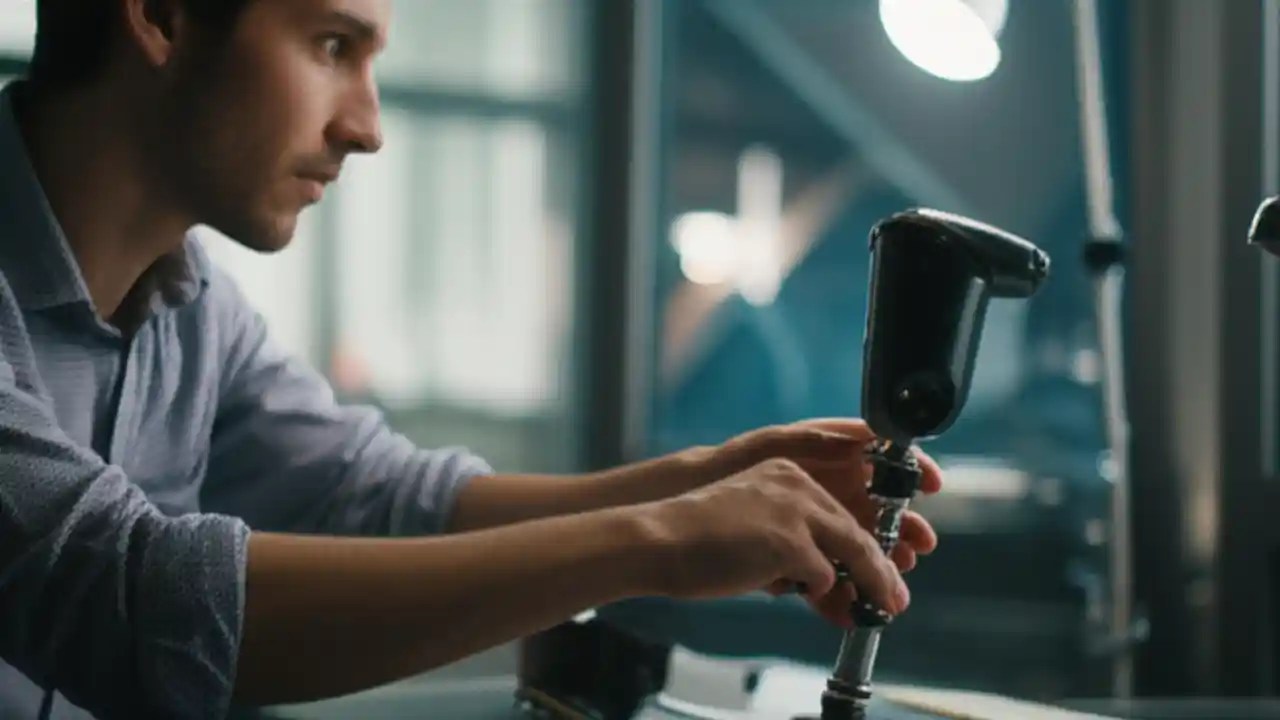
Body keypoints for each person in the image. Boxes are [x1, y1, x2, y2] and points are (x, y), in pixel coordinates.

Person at [0, 1, 944, 718]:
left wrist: (706, 482)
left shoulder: (192, 307)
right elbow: (127, 594)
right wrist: (660, 540)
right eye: (333, 47)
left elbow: (377, 499)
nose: (366, 126)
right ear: (161, 15)